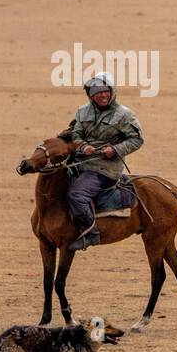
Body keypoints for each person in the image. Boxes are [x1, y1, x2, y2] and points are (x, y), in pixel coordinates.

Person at [59, 72, 144, 251]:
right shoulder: (83, 111)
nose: (103, 95)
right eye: (97, 93)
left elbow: (136, 140)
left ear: (112, 91)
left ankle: (91, 233)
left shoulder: (124, 115)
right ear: (90, 96)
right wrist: (82, 147)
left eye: (106, 91)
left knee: (76, 194)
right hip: (79, 163)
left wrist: (114, 150)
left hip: (104, 168)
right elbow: (76, 134)